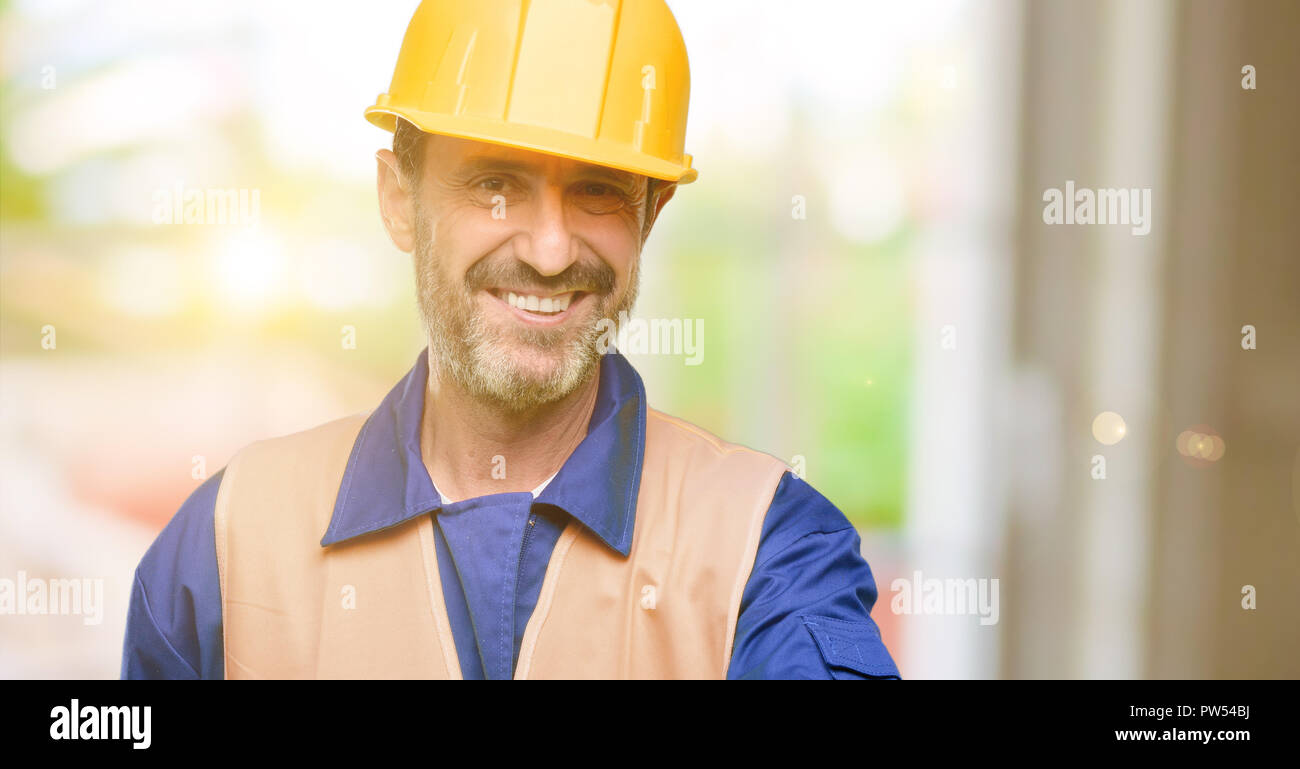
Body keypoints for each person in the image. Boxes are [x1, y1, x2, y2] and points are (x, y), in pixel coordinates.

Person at [121, 0, 900, 680]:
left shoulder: (767, 550)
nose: (551, 250)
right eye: (496, 184)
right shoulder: (228, 542)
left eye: (597, 189)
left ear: (649, 218)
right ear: (400, 199)